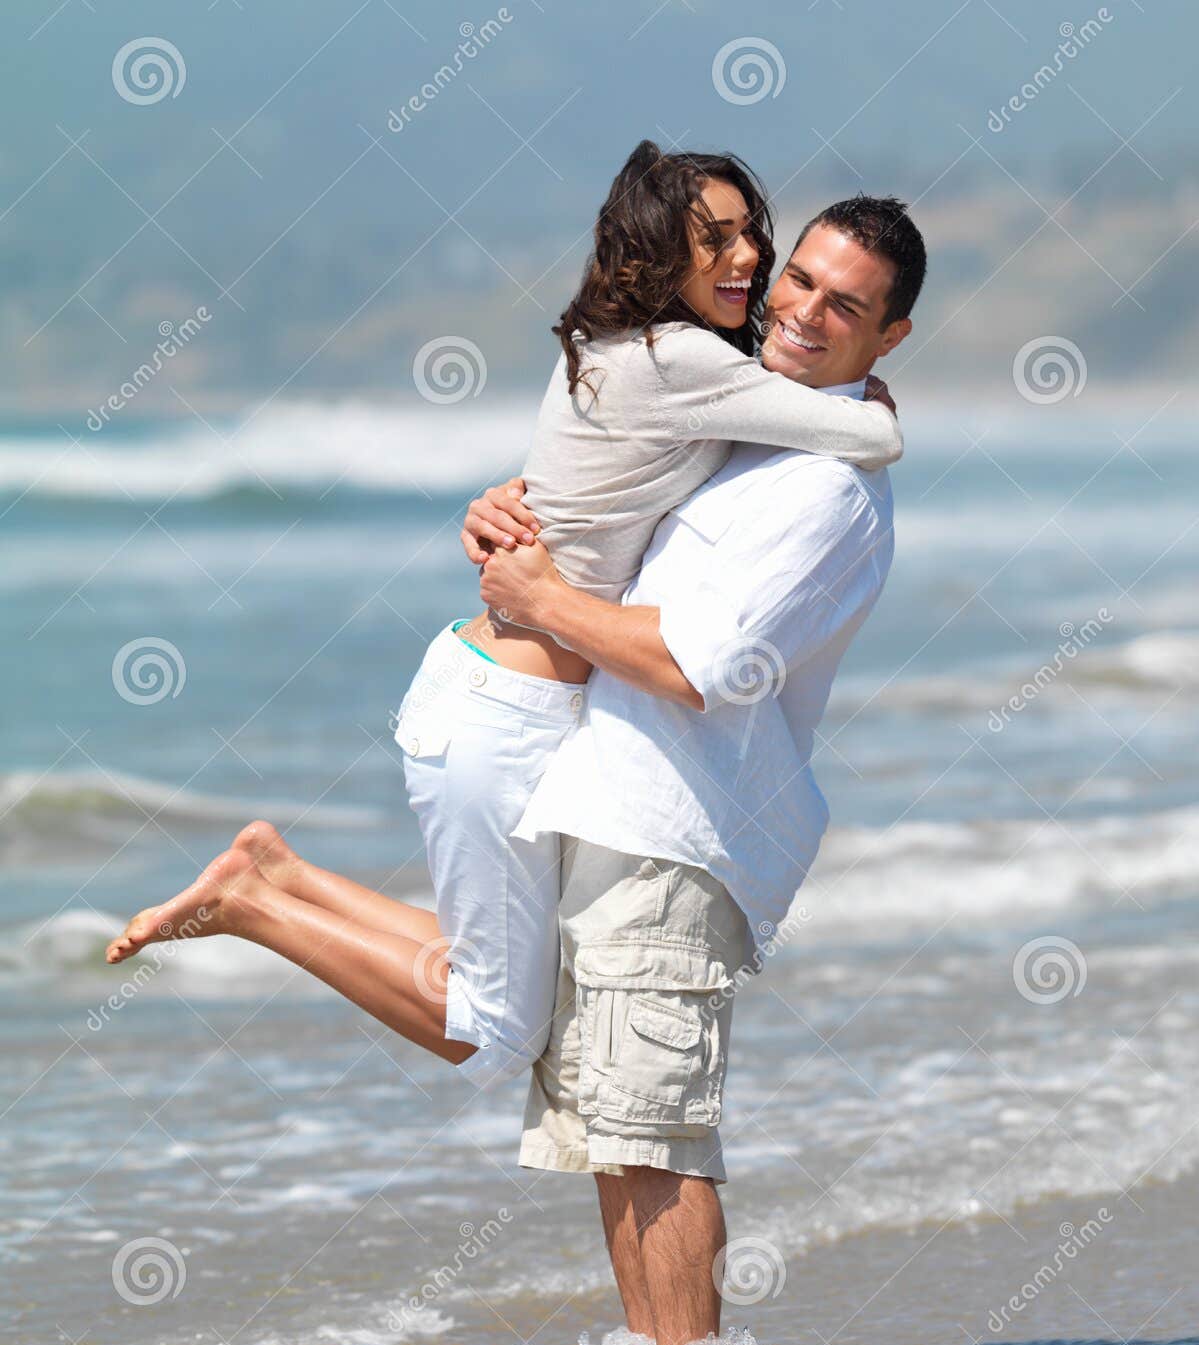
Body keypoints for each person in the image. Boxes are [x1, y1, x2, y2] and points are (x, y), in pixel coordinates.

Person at [104, 143, 901, 1099]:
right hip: (506, 709)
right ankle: (253, 904)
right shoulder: (675, 357)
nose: (743, 262)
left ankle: (278, 874)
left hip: (506, 698)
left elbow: (587, 488)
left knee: (512, 994)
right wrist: (872, 402)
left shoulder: (661, 354)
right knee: (493, 1031)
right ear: (656, 253)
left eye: (749, 238)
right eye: (713, 241)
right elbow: (871, 437)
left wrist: (504, 512)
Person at [465, 194, 926, 1345]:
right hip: (615, 804)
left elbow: (696, 663)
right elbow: (603, 492)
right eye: (798, 279)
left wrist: (538, 598)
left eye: (846, 305)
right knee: (615, 1133)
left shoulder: (824, 490)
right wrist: (513, 521)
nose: (803, 311)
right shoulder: (755, 427)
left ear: (889, 340)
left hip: (681, 830)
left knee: (657, 1138)